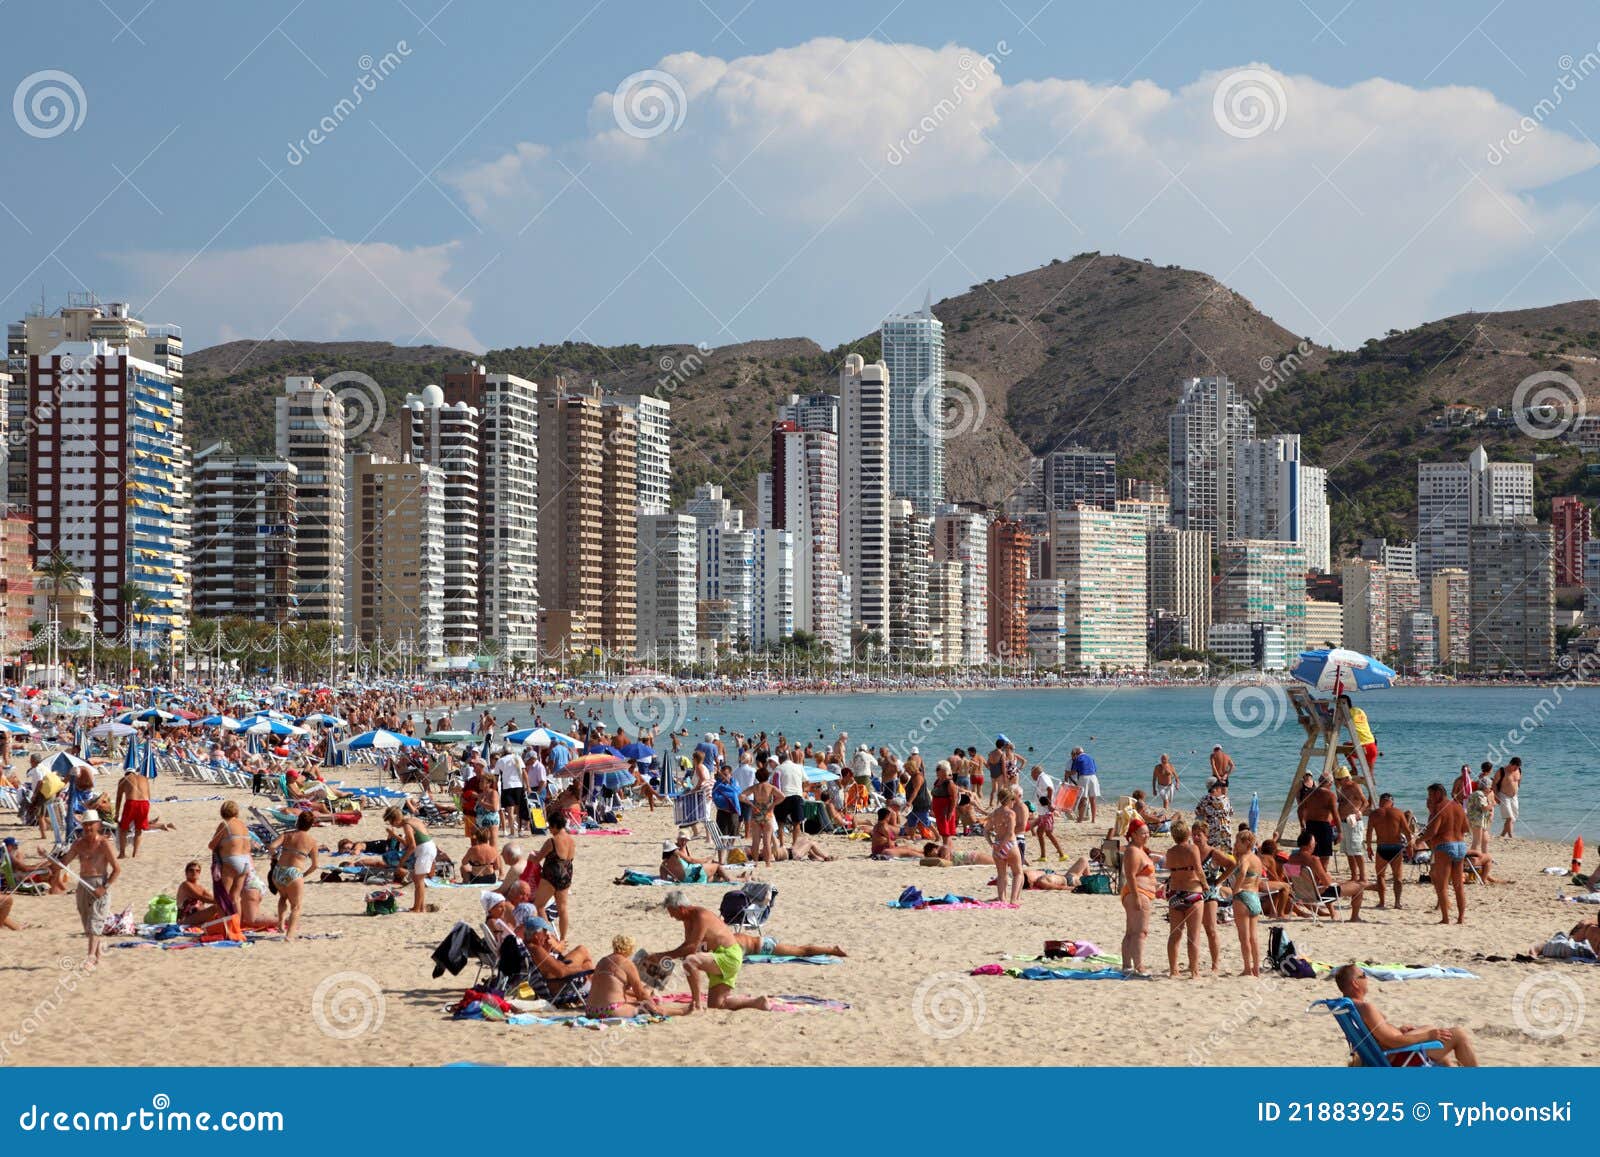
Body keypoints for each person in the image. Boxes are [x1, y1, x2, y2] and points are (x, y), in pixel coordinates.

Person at [1333, 964, 1478, 1065]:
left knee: (1438, 1042)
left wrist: (1398, 1030)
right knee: (1458, 1034)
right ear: (1355, 983)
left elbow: (1380, 1036)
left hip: (1386, 1053)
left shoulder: (1348, 1005)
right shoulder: (1366, 1007)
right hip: (1398, 1056)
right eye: (1363, 975)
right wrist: (1429, 1036)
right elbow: (1392, 1042)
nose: (1367, 978)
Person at [655, 893, 772, 1012]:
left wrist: (661, 956)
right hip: (717, 958)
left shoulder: (701, 916)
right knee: (717, 1004)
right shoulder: (688, 920)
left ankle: (696, 1004)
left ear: (681, 908)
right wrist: (661, 966)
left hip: (729, 956)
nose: (671, 916)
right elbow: (687, 947)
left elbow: (691, 948)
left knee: (690, 961)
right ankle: (757, 1002)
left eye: (671, 911)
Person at [58, 810, 119, 963]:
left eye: (91, 824)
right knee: (87, 921)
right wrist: (47, 858)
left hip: (100, 883)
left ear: (97, 825)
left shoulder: (104, 843)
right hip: (83, 884)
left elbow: (117, 869)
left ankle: (90, 957)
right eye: (85, 825)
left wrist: (104, 888)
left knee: (95, 921)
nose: (88, 828)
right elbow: (64, 863)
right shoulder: (78, 843)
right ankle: (96, 956)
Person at [586, 935, 681, 1019]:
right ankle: (682, 1011)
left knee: (635, 997)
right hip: (609, 1011)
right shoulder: (626, 963)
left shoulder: (602, 961)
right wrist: (653, 1005)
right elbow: (640, 994)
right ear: (630, 949)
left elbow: (608, 989)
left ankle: (650, 990)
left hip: (590, 1010)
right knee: (646, 1006)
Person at [1415, 782, 1469, 925]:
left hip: (1445, 846)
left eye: (1430, 795)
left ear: (1438, 793)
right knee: (1458, 885)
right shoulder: (1458, 806)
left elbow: (1433, 832)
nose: (1429, 798)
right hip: (1461, 845)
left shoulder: (1440, 807)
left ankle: (1445, 918)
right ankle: (1461, 918)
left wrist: (1418, 840)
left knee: (1442, 885)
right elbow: (1466, 828)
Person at [1289, 829, 1367, 921]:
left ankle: (1334, 913)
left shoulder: (1291, 858)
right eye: (1314, 842)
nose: (1315, 844)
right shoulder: (1313, 859)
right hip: (1316, 895)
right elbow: (1327, 883)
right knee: (1360, 886)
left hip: (1300, 893)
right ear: (1309, 844)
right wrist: (1333, 880)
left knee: (1328, 884)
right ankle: (1355, 917)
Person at [1163, 819, 1207, 979]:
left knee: (1175, 934)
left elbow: (1170, 868)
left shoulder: (1170, 852)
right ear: (1187, 833)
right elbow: (1199, 870)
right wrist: (1206, 885)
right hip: (1192, 892)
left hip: (1175, 893)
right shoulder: (1193, 848)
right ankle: (1194, 972)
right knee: (1193, 935)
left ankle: (1173, 970)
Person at [269, 812, 319, 941]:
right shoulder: (312, 841)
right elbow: (315, 865)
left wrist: (275, 856)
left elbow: (272, 846)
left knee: (283, 897)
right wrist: (303, 875)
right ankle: (289, 935)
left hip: (279, 871)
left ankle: (280, 924)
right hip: (294, 873)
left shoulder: (287, 834)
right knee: (296, 907)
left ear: (297, 821)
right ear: (311, 825)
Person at [1222, 831, 1264, 977]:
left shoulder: (1245, 858)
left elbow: (1242, 873)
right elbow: (1258, 880)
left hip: (1243, 897)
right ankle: (1257, 969)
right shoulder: (1257, 859)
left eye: (1238, 842)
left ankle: (1247, 968)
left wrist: (1235, 890)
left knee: (1244, 937)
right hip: (1254, 896)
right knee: (1254, 937)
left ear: (1246, 843)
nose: (1235, 844)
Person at [383, 806, 438, 914]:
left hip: (424, 850)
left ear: (395, 819)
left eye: (391, 822)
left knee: (419, 881)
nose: (392, 825)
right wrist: (394, 835)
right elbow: (408, 844)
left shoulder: (407, 825)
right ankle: (420, 907)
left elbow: (411, 846)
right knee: (418, 880)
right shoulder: (412, 820)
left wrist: (401, 862)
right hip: (427, 848)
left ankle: (417, 908)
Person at [530, 811, 576, 940]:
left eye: (550, 826)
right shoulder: (571, 841)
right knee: (563, 909)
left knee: (539, 906)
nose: (549, 829)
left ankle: (549, 935)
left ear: (556, 825)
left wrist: (531, 855)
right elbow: (564, 857)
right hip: (566, 875)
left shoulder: (552, 841)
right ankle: (562, 939)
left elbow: (538, 858)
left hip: (551, 875)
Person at [1119, 819, 1155, 977]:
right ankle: (1139, 967)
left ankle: (1127, 965)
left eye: (1148, 833)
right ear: (1133, 834)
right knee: (1140, 932)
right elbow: (1130, 875)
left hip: (1141, 892)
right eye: (1143, 833)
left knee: (1132, 931)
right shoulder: (1133, 851)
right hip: (1137, 893)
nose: (1146, 836)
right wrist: (1136, 897)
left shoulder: (1141, 850)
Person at [1365, 793, 1412, 909]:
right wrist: (1410, 847)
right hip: (1396, 847)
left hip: (1382, 847)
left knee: (1380, 876)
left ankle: (1382, 902)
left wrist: (1369, 847)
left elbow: (1369, 832)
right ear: (1392, 802)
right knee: (1398, 877)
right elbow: (1407, 832)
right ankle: (1397, 903)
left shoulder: (1374, 814)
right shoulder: (1398, 813)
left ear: (1380, 802)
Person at [207, 800, 252, 914]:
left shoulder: (225, 824)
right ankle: (237, 926)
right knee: (235, 897)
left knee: (223, 896)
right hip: (246, 862)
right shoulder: (243, 825)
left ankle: (226, 926)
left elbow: (212, 845)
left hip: (232, 861)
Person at [986, 786, 1024, 903]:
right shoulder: (1011, 813)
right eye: (1012, 799)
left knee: (1001, 875)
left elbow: (985, 830)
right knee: (1018, 873)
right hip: (1009, 845)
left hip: (997, 845)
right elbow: (1010, 833)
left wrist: (992, 843)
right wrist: (1003, 845)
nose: (1013, 801)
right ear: (1008, 800)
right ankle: (1013, 899)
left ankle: (1002, 898)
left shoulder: (994, 813)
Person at [741, 766, 783, 866]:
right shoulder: (771, 787)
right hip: (767, 814)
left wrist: (751, 804)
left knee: (755, 841)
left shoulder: (755, 787)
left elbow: (741, 796)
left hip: (756, 814)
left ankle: (755, 863)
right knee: (767, 841)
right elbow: (782, 796)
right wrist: (772, 805)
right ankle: (767, 863)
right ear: (767, 776)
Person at [1335, 767, 1370, 884]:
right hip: (1344, 822)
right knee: (1347, 850)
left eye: (1340, 779)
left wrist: (1359, 812)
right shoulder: (1341, 788)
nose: (1338, 782)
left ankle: (1363, 876)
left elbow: (1365, 802)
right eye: (1337, 780)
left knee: (1356, 849)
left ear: (1346, 778)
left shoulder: (1355, 787)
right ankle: (1354, 876)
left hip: (1354, 821)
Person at [1297, 772, 1339, 869]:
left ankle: (1313, 876)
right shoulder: (1330, 795)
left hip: (1310, 825)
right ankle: (1321, 877)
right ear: (1330, 783)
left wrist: (1302, 825)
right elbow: (1335, 815)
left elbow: (1300, 809)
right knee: (1324, 856)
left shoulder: (1309, 793)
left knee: (1312, 853)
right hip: (1324, 826)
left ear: (1319, 781)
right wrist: (1340, 832)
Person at [659, 836, 739, 883]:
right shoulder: (676, 853)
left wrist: (676, 878)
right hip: (693, 872)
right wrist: (706, 859)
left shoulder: (663, 866)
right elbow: (691, 860)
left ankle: (742, 879)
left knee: (715, 878)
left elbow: (664, 881)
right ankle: (730, 879)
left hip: (687, 880)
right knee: (717, 866)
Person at [113, 766, 152, 858]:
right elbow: (149, 796)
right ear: (135, 773)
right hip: (144, 803)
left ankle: (122, 853)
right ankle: (135, 853)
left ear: (126, 773)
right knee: (138, 830)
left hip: (131, 803)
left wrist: (117, 813)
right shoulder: (144, 778)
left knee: (124, 829)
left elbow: (119, 798)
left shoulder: (124, 779)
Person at [731, 927, 847, 958]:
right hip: (761, 941)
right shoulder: (729, 937)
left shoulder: (730, 944)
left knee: (802, 951)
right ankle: (830, 949)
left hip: (764, 947)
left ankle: (833, 950)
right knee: (801, 949)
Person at [1339, 695, 1378, 775]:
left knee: (1345, 746)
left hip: (1363, 747)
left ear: (1343, 704)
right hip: (1372, 744)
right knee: (1370, 776)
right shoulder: (1359, 710)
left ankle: (1354, 769)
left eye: (1338, 705)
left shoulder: (1347, 714)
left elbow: (1340, 723)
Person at [175, 861, 222, 927]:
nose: (194, 872)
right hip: (186, 918)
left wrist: (222, 900)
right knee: (217, 907)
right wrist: (222, 901)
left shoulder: (200, 887)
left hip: (199, 915)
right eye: (191, 870)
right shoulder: (185, 885)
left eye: (197, 871)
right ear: (186, 872)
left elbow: (212, 898)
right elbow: (201, 897)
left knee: (220, 909)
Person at [1493, 757, 1522, 838]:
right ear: (1511, 764)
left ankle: (1502, 835)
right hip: (1504, 795)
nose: (1516, 768)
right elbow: (1494, 783)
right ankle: (1511, 836)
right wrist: (1496, 796)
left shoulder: (1519, 770)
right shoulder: (1502, 771)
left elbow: (1518, 781)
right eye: (1515, 767)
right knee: (1509, 817)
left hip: (1514, 796)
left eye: (1518, 767)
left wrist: (1515, 790)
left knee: (1513, 818)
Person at [1070, 746, 1100, 823]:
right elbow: (1095, 769)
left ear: (1077, 753)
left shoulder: (1078, 759)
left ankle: (1080, 819)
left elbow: (1073, 772)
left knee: (1082, 799)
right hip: (1093, 777)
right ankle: (1093, 819)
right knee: (1092, 799)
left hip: (1084, 777)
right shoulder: (1090, 757)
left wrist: (1067, 774)